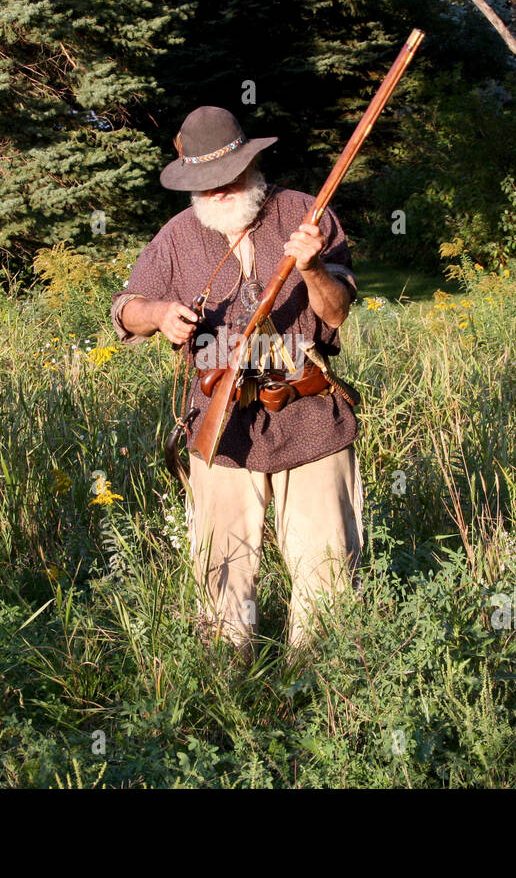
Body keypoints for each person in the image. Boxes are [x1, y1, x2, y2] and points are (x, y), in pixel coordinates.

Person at [112, 106, 364, 659]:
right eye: (204, 184)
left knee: (327, 569)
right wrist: (159, 314)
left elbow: (338, 311)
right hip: (221, 426)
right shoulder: (178, 234)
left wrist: (312, 268)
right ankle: (227, 693)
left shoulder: (305, 214)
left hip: (309, 413)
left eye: (225, 180)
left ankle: (325, 692)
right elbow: (125, 308)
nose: (218, 193)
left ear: (249, 165)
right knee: (221, 573)